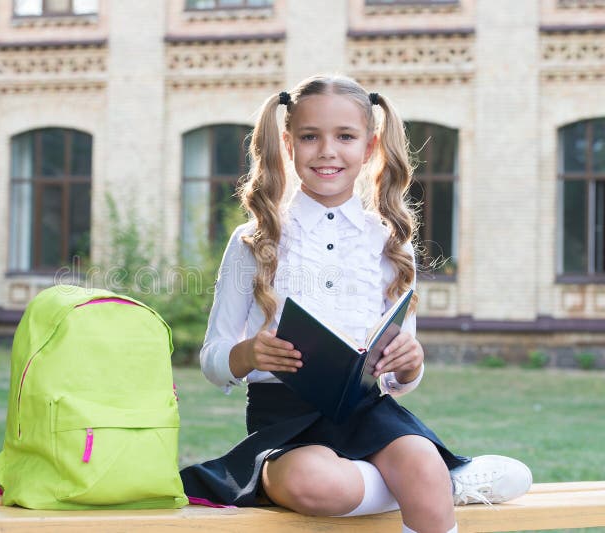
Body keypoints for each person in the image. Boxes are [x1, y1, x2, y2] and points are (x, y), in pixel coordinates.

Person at [179, 74, 533, 533]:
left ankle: (428, 479)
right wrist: (247, 354)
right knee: (318, 485)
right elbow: (213, 358)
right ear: (288, 144)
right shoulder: (253, 241)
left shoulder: (390, 243)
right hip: (283, 420)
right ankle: (441, 483)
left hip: (369, 412)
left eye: (345, 137)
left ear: (369, 147)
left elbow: (399, 373)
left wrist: (410, 363)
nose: (327, 151)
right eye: (310, 137)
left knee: (418, 459)